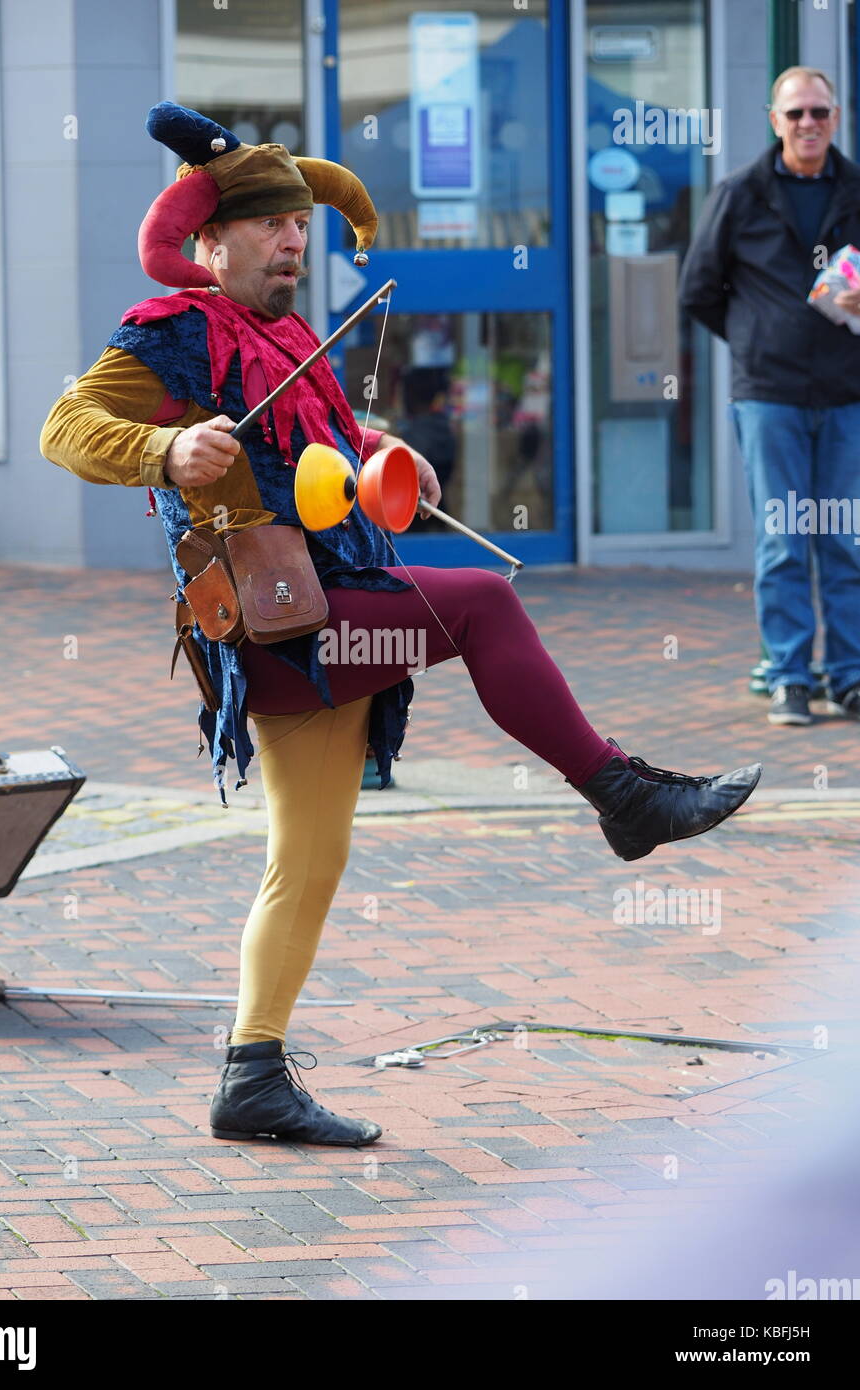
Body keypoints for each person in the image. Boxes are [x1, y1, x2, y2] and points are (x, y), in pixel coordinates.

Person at [41, 103, 762, 1149]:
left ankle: (252, 1076)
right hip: (280, 628)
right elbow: (68, 426)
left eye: (302, 223)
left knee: (309, 859)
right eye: (272, 224)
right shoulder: (174, 333)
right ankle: (624, 794)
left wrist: (380, 450)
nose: (295, 240)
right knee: (482, 600)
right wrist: (163, 452)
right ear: (208, 244)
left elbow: (314, 449)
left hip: (332, 612)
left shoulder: (292, 334)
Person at [679, 66, 860, 728]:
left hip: (847, 393)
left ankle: (848, 675)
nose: (807, 124)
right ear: (772, 120)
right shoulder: (739, 194)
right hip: (770, 396)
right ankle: (787, 676)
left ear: (835, 118)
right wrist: (756, 342)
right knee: (783, 538)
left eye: (818, 112)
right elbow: (697, 289)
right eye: (795, 115)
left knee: (843, 539)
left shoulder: (855, 191)